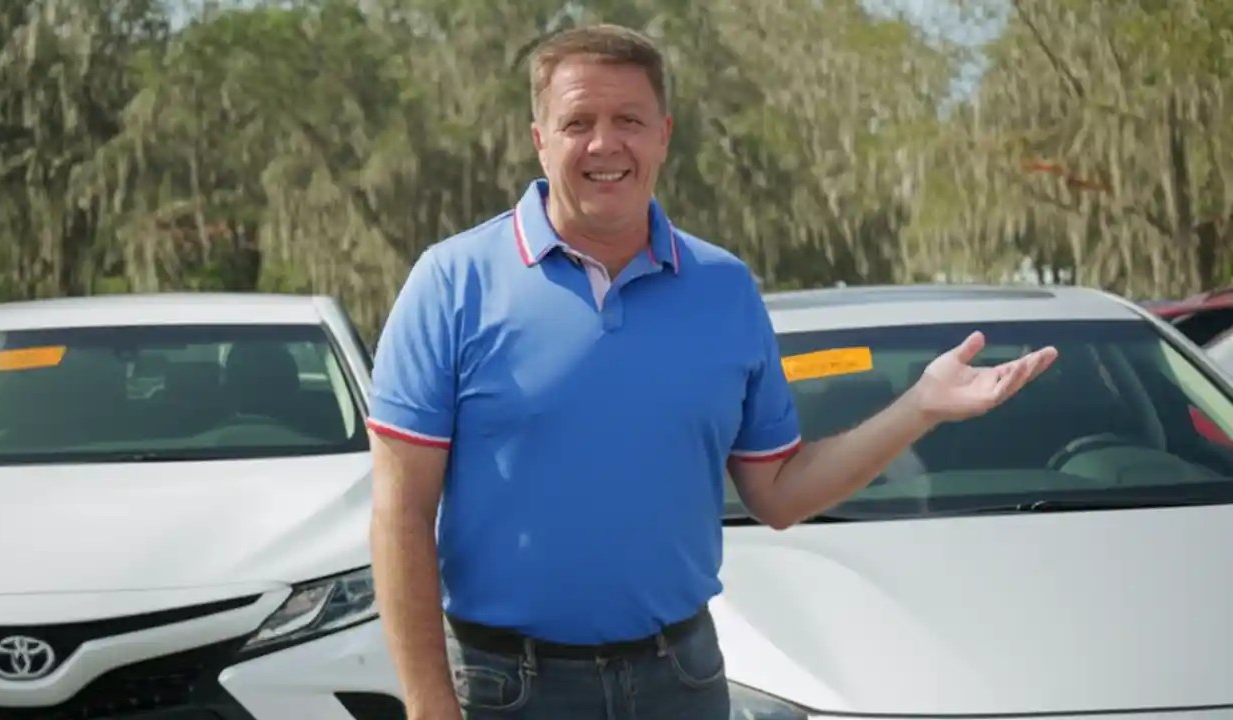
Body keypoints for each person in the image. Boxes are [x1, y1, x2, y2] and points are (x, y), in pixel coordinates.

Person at [366, 23, 1058, 720]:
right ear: (539, 139)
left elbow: (780, 494)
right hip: (502, 689)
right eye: (578, 122)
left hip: (682, 683)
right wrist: (429, 707)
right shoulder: (452, 283)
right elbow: (401, 513)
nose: (605, 144)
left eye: (629, 121)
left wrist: (921, 406)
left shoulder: (724, 288)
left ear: (664, 135)